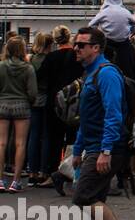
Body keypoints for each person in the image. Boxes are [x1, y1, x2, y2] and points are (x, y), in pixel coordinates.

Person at [65, 27, 135, 220]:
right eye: (76, 44)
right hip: (95, 145)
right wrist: (78, 150)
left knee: (83, 196)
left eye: (81, 45)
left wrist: (105, 151)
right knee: (95, 199)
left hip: (107, 147)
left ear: (96, 48)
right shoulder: (91, 74)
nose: (76, 48)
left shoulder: (106, 74)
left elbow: (113, 114)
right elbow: (87, 119)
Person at [37, 26, 81, 192]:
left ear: (55, 40)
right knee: (71, 140)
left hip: (54, 102)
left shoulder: (51, 57)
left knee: (53, 139)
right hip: (74, 103)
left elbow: (40, 77)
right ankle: (69, 171)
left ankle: (50, 172)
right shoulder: (76, 57)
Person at [0, 36, 38, 191]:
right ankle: (16, 181)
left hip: (2, 105)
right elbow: (33, 92)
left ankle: (0, 180)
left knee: (1, 143)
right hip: (22, 106)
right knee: (20, 143)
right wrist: (29, 101)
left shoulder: (1, 66)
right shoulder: (28, 68)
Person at [88, 0, 135, 83]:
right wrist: (129, 31)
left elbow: (91, 25)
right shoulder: (125, 12)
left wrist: (99, 32)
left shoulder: (104, 12)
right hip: (124, 44)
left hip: (107, 43)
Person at [23, 32, 51, 186]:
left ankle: (31, 170)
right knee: (46, 136)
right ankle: (44, 171)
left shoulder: (31, 60)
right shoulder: (50, 59)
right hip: (47, 98)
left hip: (33, 100)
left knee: (33, 135)